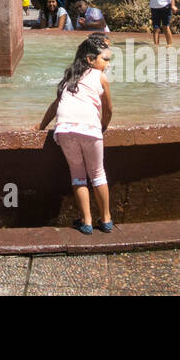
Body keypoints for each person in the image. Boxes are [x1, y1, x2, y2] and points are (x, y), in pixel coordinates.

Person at [38, 35, 114, 235]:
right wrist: (103, 126)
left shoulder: (69, 76)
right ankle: (106, 219)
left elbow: (55, 106)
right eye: (105, 59)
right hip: (89, 128)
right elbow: (108, 110)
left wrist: (41, 126)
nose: (107, 64)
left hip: (64, 130)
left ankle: (86, 221)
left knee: (78, 176)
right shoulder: (100, 77)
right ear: (90, 59)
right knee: (98, 174)